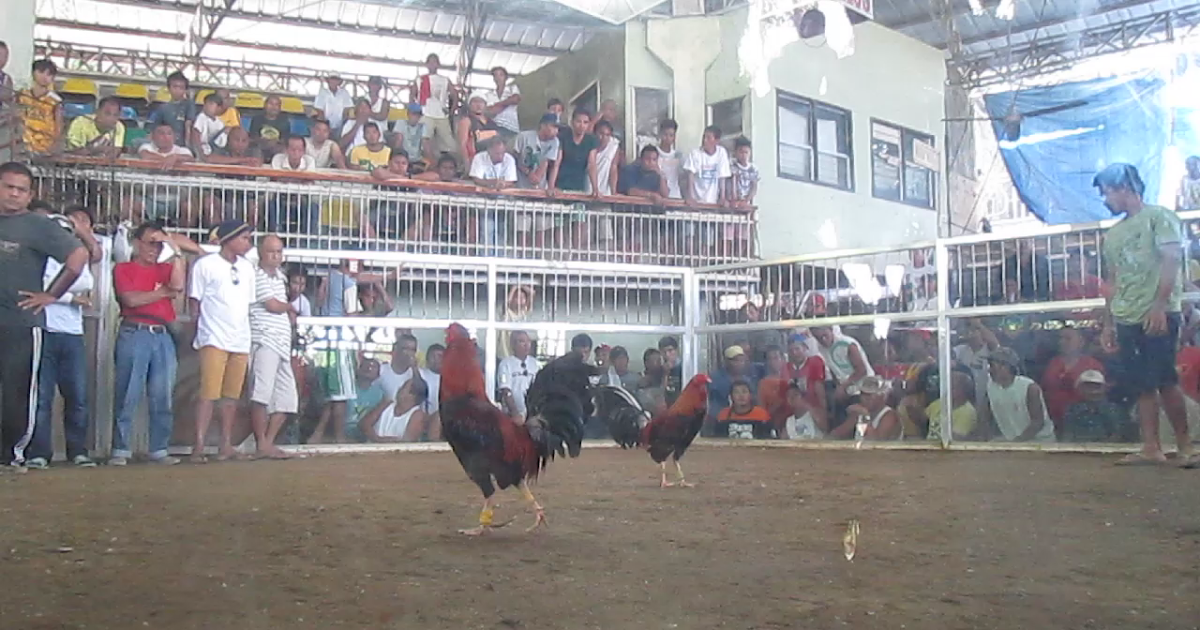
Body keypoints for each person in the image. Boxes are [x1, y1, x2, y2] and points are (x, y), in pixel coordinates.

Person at [1096, 163, 1194, 466]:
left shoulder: (1160, 217)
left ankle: (1185, 446)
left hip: (1156, 312)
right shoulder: (1113, 235)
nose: (1105, 199)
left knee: (1165, 378)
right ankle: (1151, 447)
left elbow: (1171, 260)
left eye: (1107, 192)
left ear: (1124, 188)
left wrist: (1160, 305)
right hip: (1126, 314)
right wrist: (1108, 322)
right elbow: (1112, 281)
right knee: (1141, 383)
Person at [0, 163, 90, 468]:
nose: (13, 194)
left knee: (17, 393)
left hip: (20, 322)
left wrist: (50, 295)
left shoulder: (37, 226)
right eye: (8, 186)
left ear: (30, 195)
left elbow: (78, 256)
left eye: (20, 189)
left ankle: (11, 455)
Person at [109, 222, 195, 466]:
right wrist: (162, 293)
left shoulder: (164, 268)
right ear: (136, 243)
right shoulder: (124, 268)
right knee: (128, 393)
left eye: (158, 245)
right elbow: (131, 300)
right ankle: (120, 448)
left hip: (162, 334)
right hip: (134, 331)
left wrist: (174, 249)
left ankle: (158, 449)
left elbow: (177, 286)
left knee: (162, 396)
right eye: (150, 243)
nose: (155, 249)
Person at [26, 208, 98, 469]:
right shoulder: (39, 258)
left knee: (77, 396)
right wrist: (70, 297)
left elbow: (84, 281)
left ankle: (78, 451)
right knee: (42, 397)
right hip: (45, 331)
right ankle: (39, 453)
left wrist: (61, 294)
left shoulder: (75, 258)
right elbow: (40, 287)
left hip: (72, 334)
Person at [189, 220, 256, 462]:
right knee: (209, 393)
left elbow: (247, 303)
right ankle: (199, 445)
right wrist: (198, 329)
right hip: (213, 337)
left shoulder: (247, 268)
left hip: (239, 338)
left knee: (231, 396)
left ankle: (225, 445)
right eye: (244, 238)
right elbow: (194, 301)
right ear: (228, 239)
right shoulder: (205, 264)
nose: (248, 243)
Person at [248, 234, 298, 459]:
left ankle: (267, 443)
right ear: (261, 253)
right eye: (271, 251)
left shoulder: (280, 277)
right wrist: (290, 307)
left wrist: (287, 309)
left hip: (281, 343)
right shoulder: (256, 274)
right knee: (261, 395)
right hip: (264, 340)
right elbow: (271, 304)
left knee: (287, 399)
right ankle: (261, 443)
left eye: (279, 251)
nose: (276, 256)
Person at [978, 347, 1055, 443]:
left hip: (1041, 442)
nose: (989, 370)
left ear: (1005, 366)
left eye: (992, 365)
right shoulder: (990, 387)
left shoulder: (1030, 388)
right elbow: (983, 415)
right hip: (1011, 440)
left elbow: (1037, 423)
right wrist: (986, 438)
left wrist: (1015, 444)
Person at [1039, 327, 1104, 439]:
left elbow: (1100, 397)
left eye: (1068, 338)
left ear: (1081, 342)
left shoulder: (1093, 365)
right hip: (1052, 423)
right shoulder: (1052, 364)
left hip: (1083, 426)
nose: (1062, 342)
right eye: (1060, 338)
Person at [359, 377, 429, 442]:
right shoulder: (386, 404)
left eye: (403, 387)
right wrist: (377, 439)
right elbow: (364, 424)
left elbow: (407, 442)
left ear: (412, 395)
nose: (399, 388)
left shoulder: (418, 415)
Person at [413, 54, 457, 158]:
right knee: (423, 140)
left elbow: (455, 95)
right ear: (426, 64)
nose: (432, 64)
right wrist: (415, 112)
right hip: (425, 113)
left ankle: (450, 164)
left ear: (438, 64)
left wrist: (451, 112)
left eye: (435, 62)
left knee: (449, 143)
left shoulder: (445, 80)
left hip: (441, 115)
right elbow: (412, 95)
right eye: (430, 62)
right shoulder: (420, 79)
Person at [1064, 370, 1127, 442]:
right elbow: (1067, 437)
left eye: (1097, 387)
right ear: (1080, 389)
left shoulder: (1116, 411)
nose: (1093, 391)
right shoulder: (1073, 411)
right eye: (1088, 387)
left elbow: (1119, 438)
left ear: (1105, 388)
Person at [16, 59, 63, 155]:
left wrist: (54, 146)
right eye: (41, 72)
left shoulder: (55, 101)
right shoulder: (22, 95)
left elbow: (59, 126)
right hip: (24, 145)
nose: (44, 77)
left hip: (45, 146)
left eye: (49, 74)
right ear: (33, 73)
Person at [683, 125, 731, 207]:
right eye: (704, 137)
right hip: (696, 200)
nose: (704, 140)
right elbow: (690, 176)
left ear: (716, 141)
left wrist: (722, 197)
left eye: (708, 138)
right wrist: (690, 197)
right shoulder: (695, 153)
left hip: (713, 201)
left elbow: (722, 176)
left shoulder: (721, 153)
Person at [554, 108, 598, 196]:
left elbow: (591, 165)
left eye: (585, 122)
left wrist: (595, 189)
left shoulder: (591, 140)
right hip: (559, 185)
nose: (582, 125)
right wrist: (552, 186)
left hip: (579, 186)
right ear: (572, 122)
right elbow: (556, 163)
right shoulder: (562, 137)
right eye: (578, 121)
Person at [497, 331, 540, 421]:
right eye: (521, 341)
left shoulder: (535, 364)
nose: (526, 345)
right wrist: (515, 413)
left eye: (528, 341)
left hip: (532, 414)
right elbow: (506, 390)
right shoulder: (506, 364)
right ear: (513, 345)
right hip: (512, 415)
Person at [708, 345, 758, 423]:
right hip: (720, 420)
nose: (739, 363)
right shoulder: (715, 378)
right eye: (735, 360)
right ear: (727, 361)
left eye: (741, 360)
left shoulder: (748, 380)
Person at [147, 71, 194, 147]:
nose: (178, 90)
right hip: (165, 143)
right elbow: (155, 129)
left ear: (185, 90)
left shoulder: (189, 104)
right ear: (169, 88)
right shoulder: (163, 108)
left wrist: (187, 146)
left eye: (181, 88)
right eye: (175, 87)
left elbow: (188, 125)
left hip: (182, 144)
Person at [514, 113, 561, 190]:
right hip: (520, 185)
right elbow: (515, 157)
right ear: (543, 125)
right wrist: (528, 172)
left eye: (557, 128)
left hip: (540, 187)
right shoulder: (523, 136)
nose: (556, 131)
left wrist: (536, 177)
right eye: (553, 127)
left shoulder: (555, 142)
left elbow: (546, 162)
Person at [477, 66, 521, 142]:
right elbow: (490, 112)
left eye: (501, 75)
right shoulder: (489, 95)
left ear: (506, 77)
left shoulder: (512, 88)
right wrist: (507, 102)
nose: (498, 77)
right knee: (478, 136)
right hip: (495, 127)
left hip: (511, 128)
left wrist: (497, 105)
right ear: (493, 78)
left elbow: (516, 99)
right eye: (495, 75)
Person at [457, 95, 499, 165]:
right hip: (475, 160)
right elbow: (462, 144)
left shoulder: (492, 123)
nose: (478, 105)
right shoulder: (466, 121)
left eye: (481, 102)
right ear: (469, 105)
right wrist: (467, 163)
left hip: (491, 161)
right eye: (475, 102)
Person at [250, 94, 291, 162]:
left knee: (283, 150)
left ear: (280, 108)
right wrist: (263, 141)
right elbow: (253, 137)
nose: (273, 107)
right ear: (265, 105)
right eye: (271, 104)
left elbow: (285, 140)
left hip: (276, 147)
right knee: (255, 150)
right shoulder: (257, 119)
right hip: (260, 145)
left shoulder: (284, 121)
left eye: (276, 105)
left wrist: (275, 142)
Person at [391, 102, 432, 168]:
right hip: (403, 158)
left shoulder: (423, 126)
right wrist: (396, 158)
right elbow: (398, 142)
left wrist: (431, 161)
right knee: (399, 138)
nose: (416, 117)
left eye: (418, 115)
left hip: (418, 159)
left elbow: (426, 145)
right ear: (408, 114)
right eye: (413, 114)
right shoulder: (401, 122)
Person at [190, 92, 229, 159]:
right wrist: (199, 153)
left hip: (216, 152)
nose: (207, 107)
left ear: (218, 107)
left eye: (211, 104)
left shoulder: (220, 122)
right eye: (206, 104)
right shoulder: (201, 118)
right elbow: (196, 135)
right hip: (202, 152)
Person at [587, 119, 621, 197]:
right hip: (587, 190)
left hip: (605, 193)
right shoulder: (588, 143)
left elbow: (613, 168)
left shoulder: (614, 145)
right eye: (601, 133)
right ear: (595, 133)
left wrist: (613, 191)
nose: (604, 137)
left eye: (607, 135)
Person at [655, 118, 683, 200]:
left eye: (671, 135)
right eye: (665, 134)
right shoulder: (654, 153)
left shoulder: (678, 156)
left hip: (676, 197)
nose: (667, 138)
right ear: (660, 134)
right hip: (660, 198)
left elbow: (682, 179)